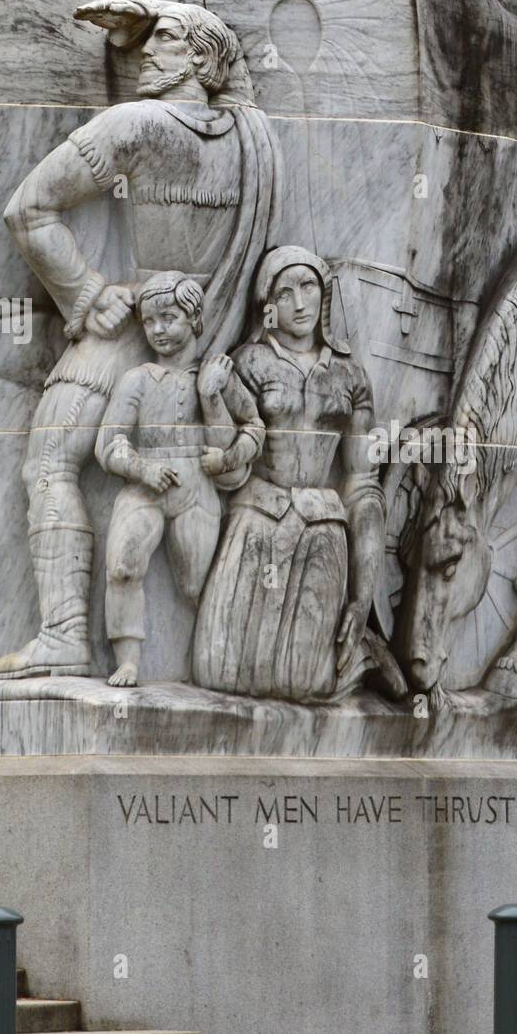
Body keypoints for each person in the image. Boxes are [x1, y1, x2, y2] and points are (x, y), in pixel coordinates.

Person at [0, 0, 280, 678]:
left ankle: (63, 638)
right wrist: (154, 11)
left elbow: (27, 209)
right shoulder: (255, 139)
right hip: (218, 339)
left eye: (167, 41)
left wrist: (86, 293)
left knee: (50, 464)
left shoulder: (134, 124)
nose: (147, 51)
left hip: (137, 330)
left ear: (203, 60)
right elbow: (240, 80)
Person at [192, 247, 405, 702]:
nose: (299, 303)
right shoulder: (247, 363)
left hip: (323, 534)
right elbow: (228, 468)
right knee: (218, 670)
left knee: (306, 683)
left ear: (324, 295)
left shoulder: (350, 375)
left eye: (308, 287)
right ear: (267, 306)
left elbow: (362, 484)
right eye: (284, 293)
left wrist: (363, 594)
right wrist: (212, 401)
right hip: (256, 525)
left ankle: (366, 655)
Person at [95, 272, 263, 688]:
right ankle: (128, 660)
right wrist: (142, 469)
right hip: (145, 485)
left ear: (194, 319)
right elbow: (107, 442)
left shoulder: (216, 375)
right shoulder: (137, 379)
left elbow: (254, 427)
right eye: (149, 322)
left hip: (196, 489)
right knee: (122, 564)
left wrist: (229, 454)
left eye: (168, 318)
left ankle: (218, 661)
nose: (157, 330)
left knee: (199, 584)